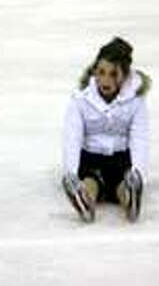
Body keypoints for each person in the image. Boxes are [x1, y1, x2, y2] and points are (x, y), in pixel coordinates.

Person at [60, 37, 151, 223]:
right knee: (90, 183)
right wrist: (70, 172)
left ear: (124, 75)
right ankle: (84, 200)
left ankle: (131, 197)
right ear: (94, 71)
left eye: (113, 74)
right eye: (101, 72)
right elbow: (72, 137)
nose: (105, 80)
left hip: (120, 159)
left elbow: (139, 138)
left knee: (122, 186)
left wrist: (138, 172)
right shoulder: (81, 100)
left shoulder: (135, 101)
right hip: (91, 158)